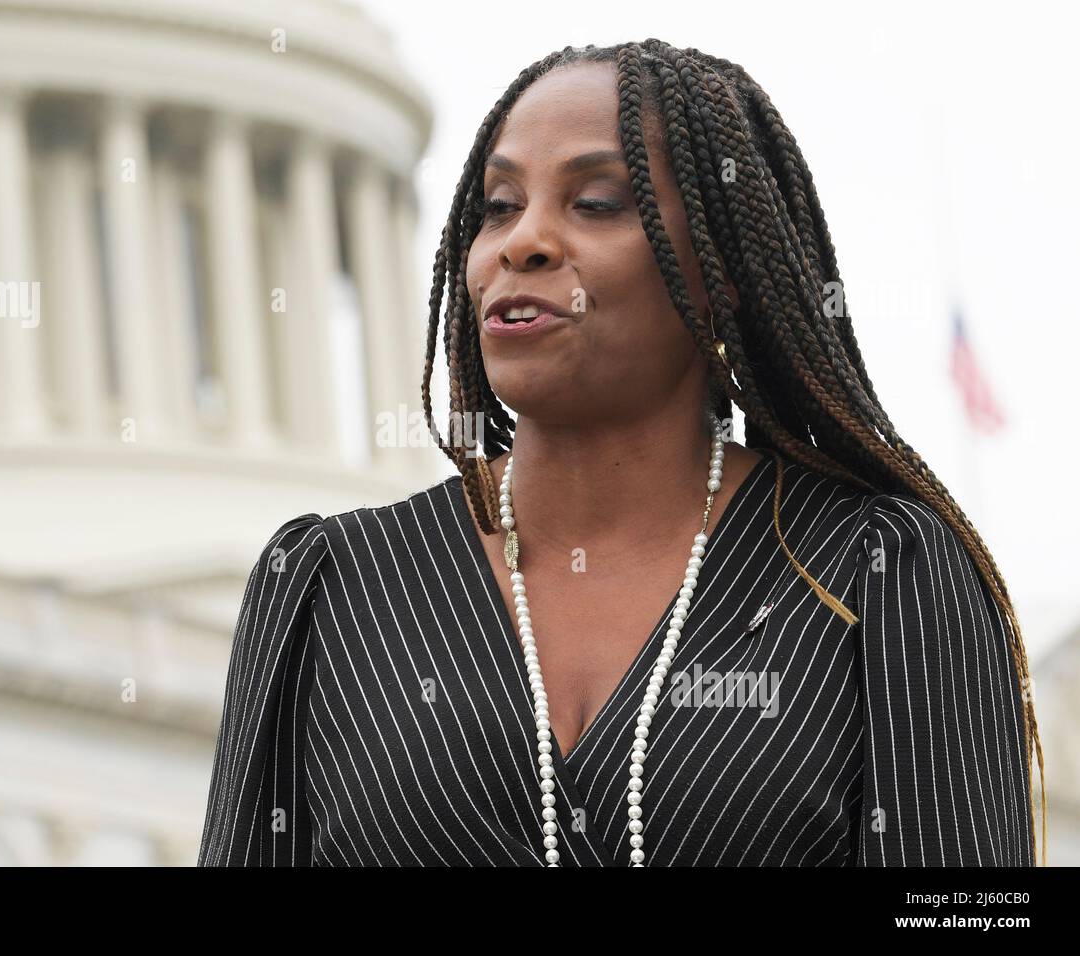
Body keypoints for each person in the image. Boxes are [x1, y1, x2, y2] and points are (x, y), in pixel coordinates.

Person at [196, 39, 1043, 866]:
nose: (520, 243)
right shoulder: (327, 587)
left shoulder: (874, 574)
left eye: (596, 202)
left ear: (720, 270)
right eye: (497, 207)